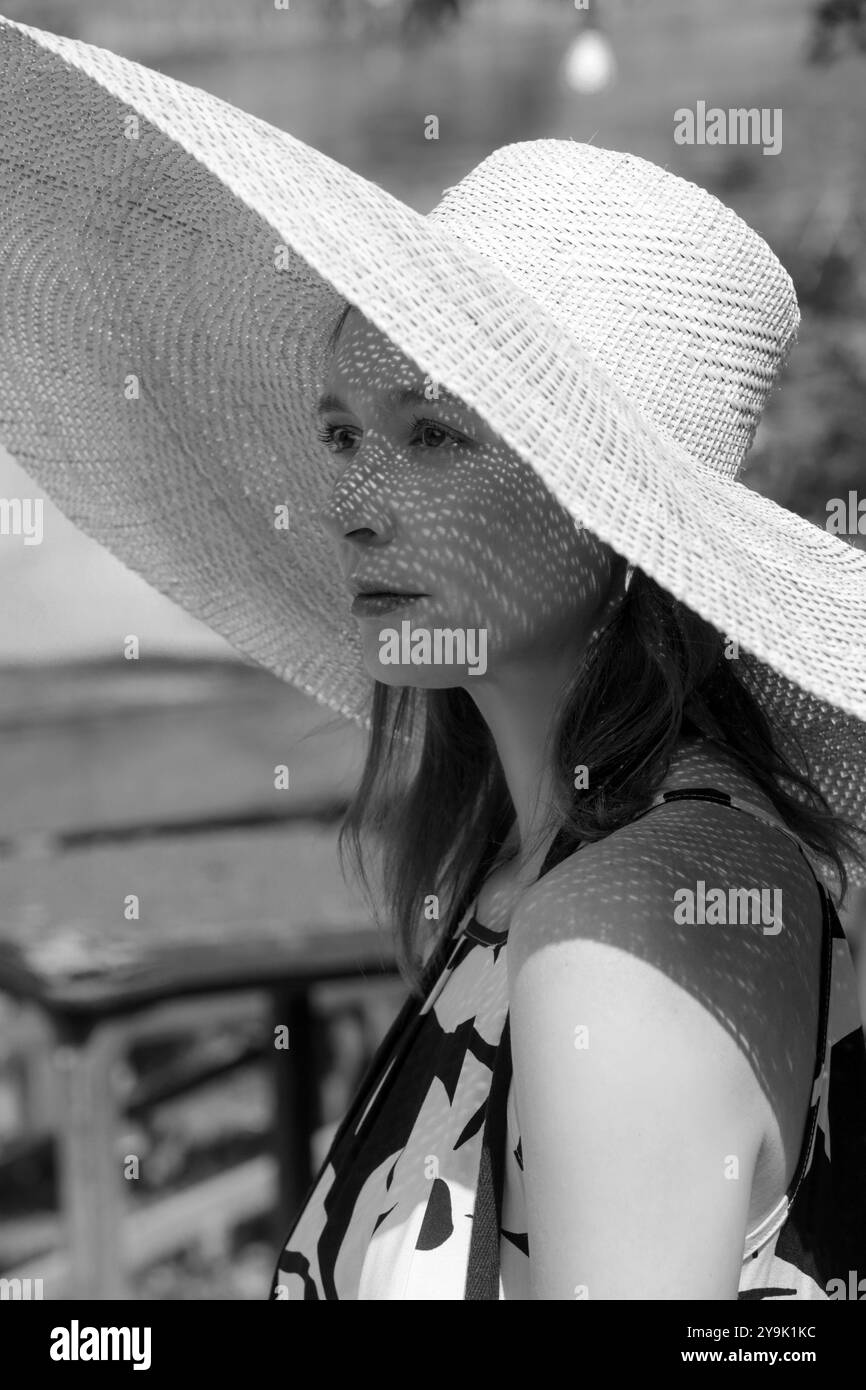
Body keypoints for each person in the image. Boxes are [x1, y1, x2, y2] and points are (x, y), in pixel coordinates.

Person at [1, 15, 865, 1301]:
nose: (350, 500)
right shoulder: (546, 856)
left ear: (617, 515)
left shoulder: (628, 919)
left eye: (435, 438)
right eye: (345, 434)